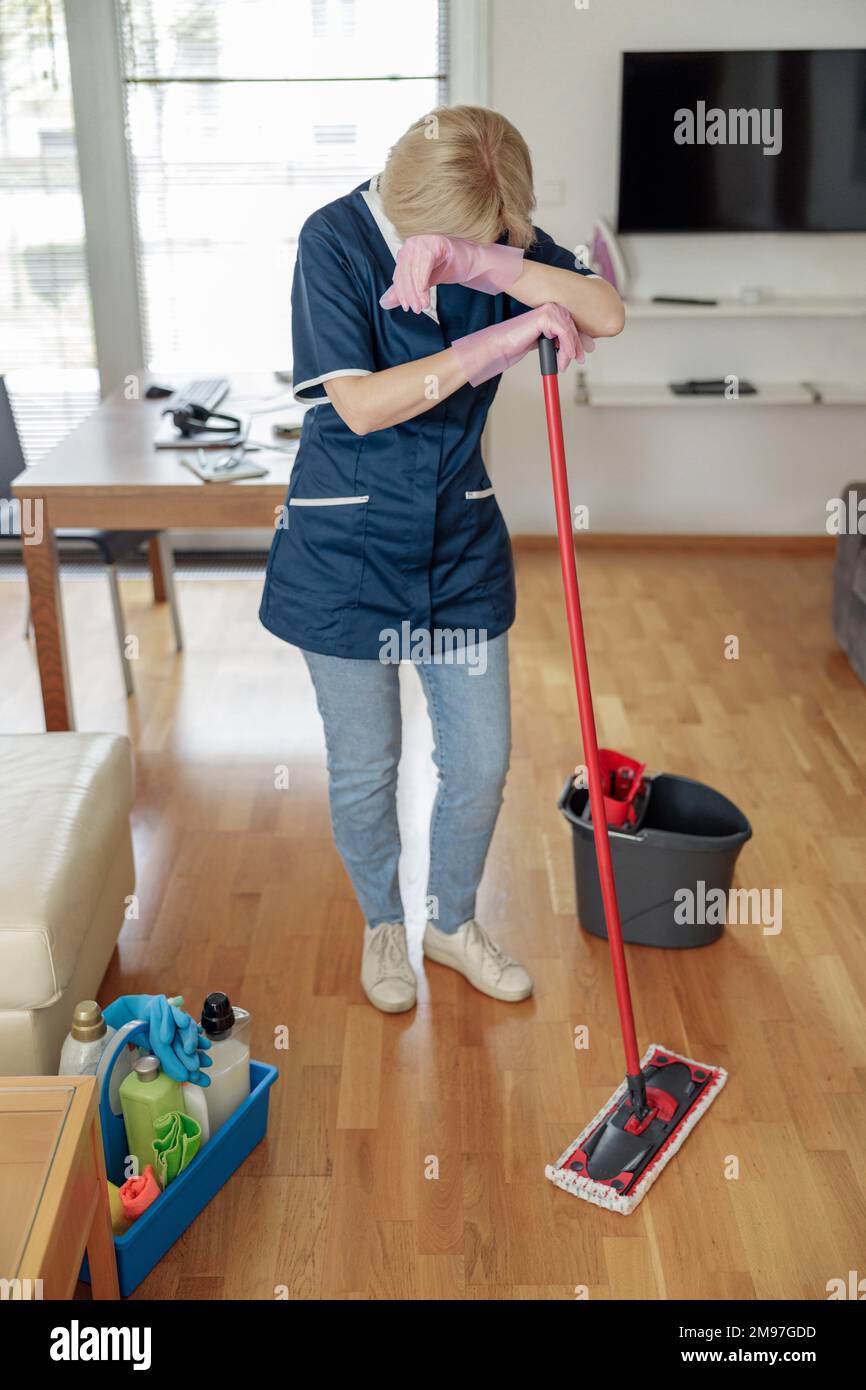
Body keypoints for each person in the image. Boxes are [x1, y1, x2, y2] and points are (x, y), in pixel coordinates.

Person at [260, 105, 624, 1013]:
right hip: (345, 552)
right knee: (366, 762)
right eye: (465, 241)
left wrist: (492, 263)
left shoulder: (486, 229)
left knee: (482, 757)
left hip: (457, 547)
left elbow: (606, 312)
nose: (487, 251)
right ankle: (384, 923)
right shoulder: (333, 242)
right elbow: (363, 406)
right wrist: (498, 337)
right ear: (414, 209)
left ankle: (450, 922)